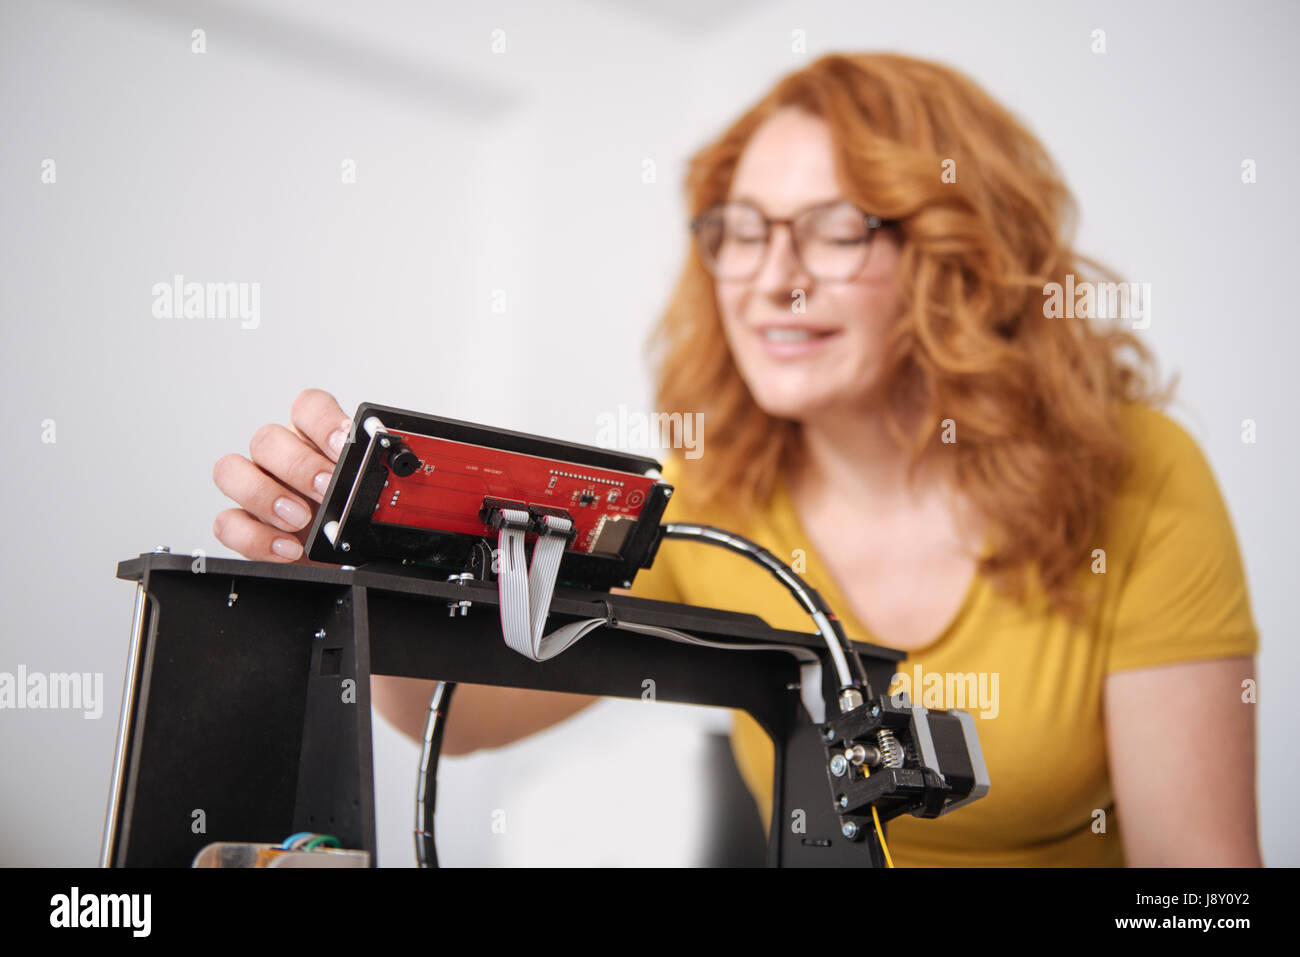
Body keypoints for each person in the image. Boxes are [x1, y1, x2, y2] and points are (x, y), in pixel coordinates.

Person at [211, 52, 1262, 867]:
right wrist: (358, 561)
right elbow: (472, 710)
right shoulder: (714, 494)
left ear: (955, 253)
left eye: (836, 229)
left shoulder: (1133, 473)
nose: (772, 277)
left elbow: (1200, 883)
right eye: (743, 230)